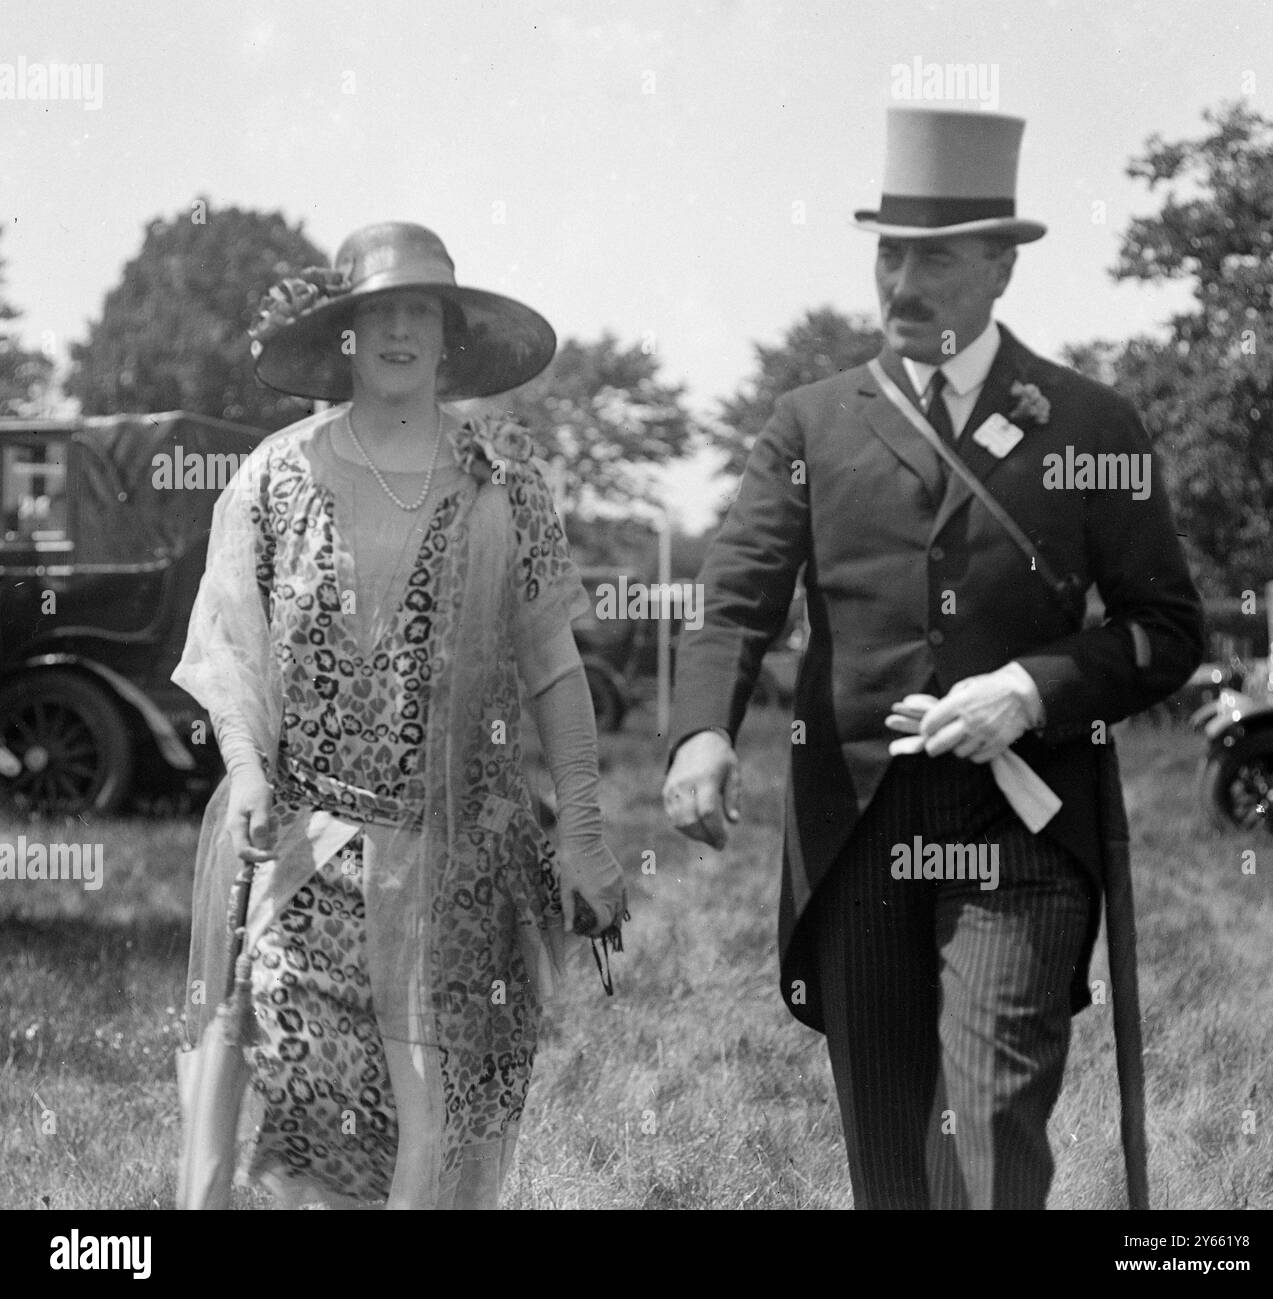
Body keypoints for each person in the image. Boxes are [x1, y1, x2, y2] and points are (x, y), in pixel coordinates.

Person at [662, 108, 1203, 1209]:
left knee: (986, 1134)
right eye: (888, 252)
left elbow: (1165, 630)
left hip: (1021, 826)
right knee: (888, 1157)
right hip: (854, 831)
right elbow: (735, 603)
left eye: (936, 256)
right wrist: (704, 729)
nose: (902, 281)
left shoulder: (1089, 425)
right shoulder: (810, 424)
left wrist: (1029, 689)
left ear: (1000, 266)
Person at [175, 221, 626, 1210]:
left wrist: (583, 829)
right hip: (311, 848)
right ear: (344, 333)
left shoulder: (504, 488)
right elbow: (232, 654)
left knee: (442, 1136)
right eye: (377, 312)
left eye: (418, 310)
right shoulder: (272, 480)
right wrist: (248, 771)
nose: (397, 333)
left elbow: (554, 667)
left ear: (448, 334)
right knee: (328, 1126)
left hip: (466, 861)